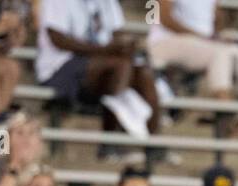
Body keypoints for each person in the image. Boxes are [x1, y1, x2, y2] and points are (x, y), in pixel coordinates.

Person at [36, 0, 161, 141]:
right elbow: (57, 39)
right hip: (61, 67)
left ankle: (153, 143)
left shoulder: (108, 2)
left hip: (104, 65)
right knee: (121, 67)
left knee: (143, 72)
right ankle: (113, 138)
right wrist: (102, 50)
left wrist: (127, 44)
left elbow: (118, 33)